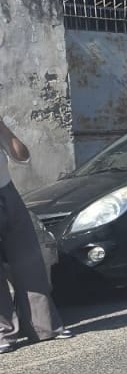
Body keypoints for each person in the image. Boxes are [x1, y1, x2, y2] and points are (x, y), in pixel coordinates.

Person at [0, 117, 71, 353]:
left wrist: (2, 127)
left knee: (28, 261)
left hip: (8, 193)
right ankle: (3, 333)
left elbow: (22, 155)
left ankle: (44, 328)